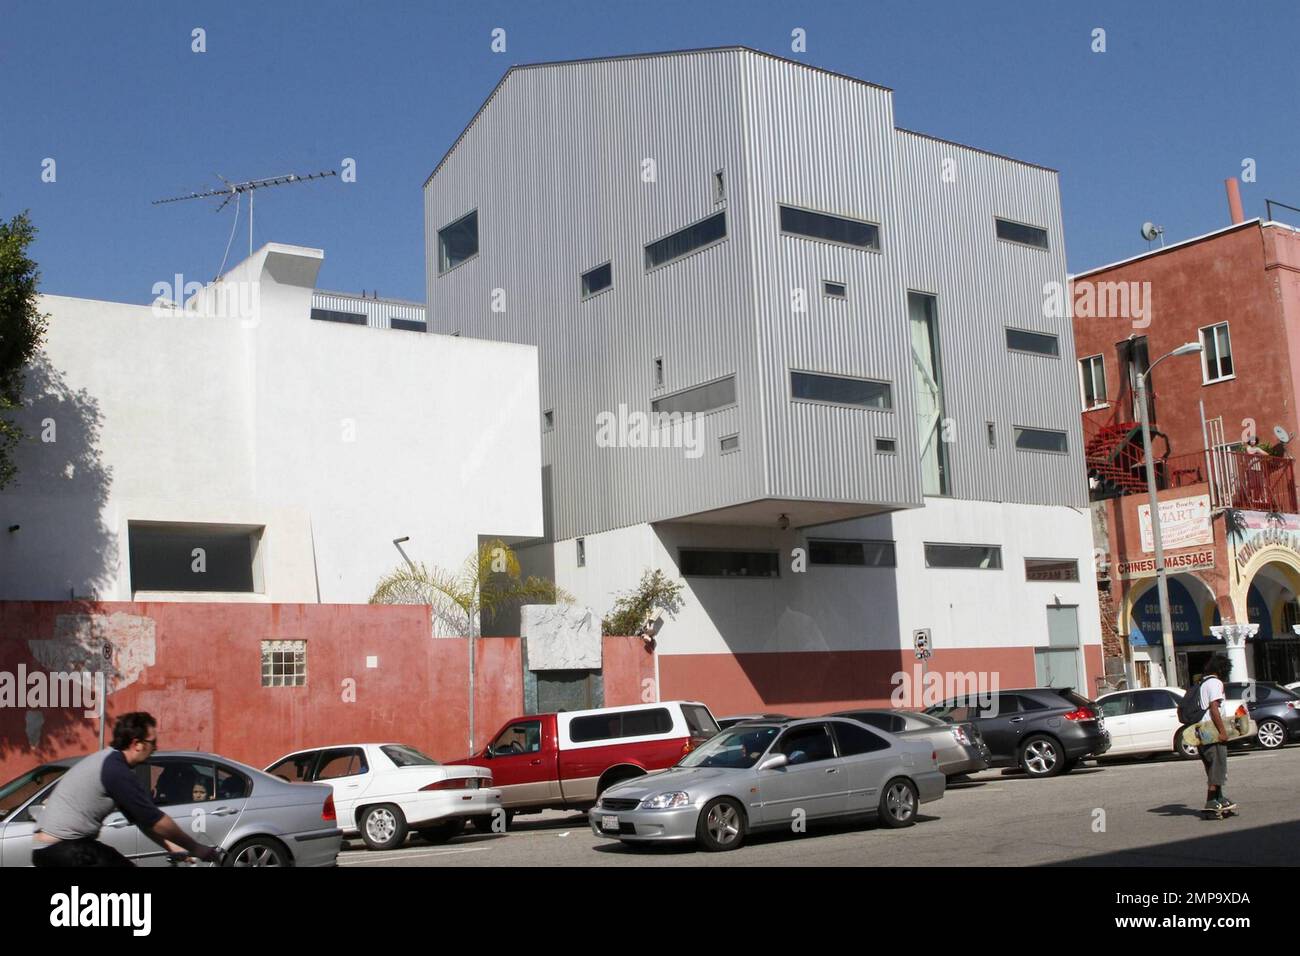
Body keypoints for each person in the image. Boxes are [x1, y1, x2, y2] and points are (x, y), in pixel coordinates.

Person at [32, 712, 224, 867]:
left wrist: (172, 847)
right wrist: (196, 847)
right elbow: (156, 820)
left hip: (52, 850)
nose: (155, 748)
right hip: (65, 851)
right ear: (136, 744)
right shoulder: (116, 770)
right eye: (152, 743)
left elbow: (143, 821)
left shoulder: (109, 762)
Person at [1197, 655, 1237, 816]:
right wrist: (1222, 732)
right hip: (1211, 730)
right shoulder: (1215, 683)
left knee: (1213, 766)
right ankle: (1211, 801)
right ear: (1222, 669)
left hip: (1201, 730)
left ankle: (1219, 798)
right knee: (1217, 766)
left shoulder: (1202, 683)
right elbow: (1214, 708)